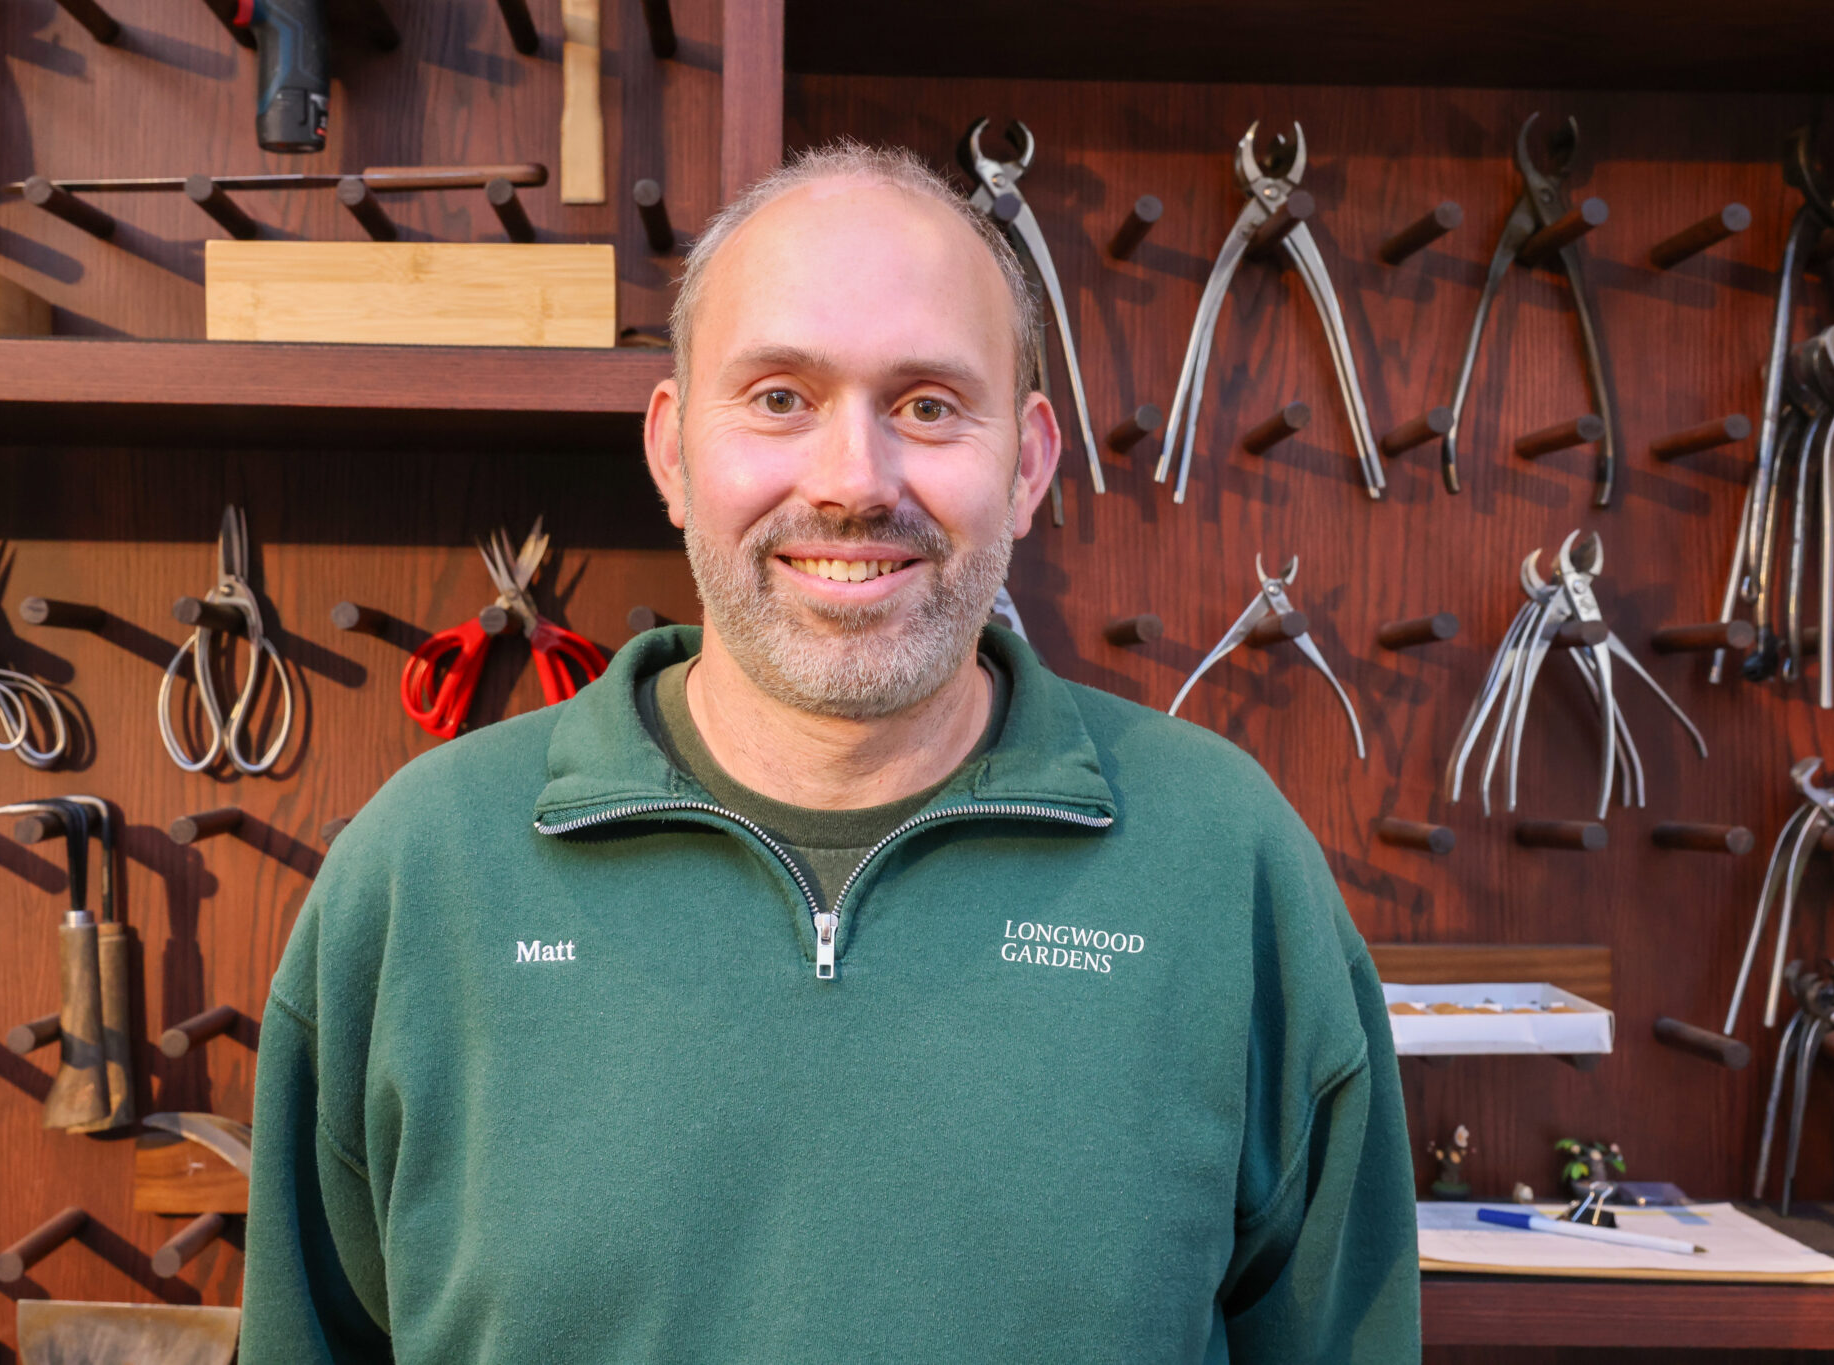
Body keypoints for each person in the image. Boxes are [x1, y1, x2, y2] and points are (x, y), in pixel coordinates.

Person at [240, 139, 1419, 1363]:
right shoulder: (421, 870)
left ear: (1024, 465)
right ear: (669, 452)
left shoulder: (1222, 862)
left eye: (925, 406)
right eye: (778, 399)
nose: (854, 482)